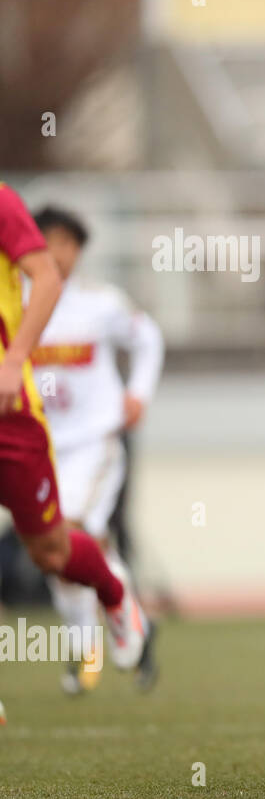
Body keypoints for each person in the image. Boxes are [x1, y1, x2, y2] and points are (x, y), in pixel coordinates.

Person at [0, 183, 150, 696]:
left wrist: (15, 359)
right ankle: (83, 656)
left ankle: (113, 591)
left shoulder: (3, 205)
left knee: (53, 550)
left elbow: (48, 281)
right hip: (56, 438)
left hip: (34, 425)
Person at [31, 206, 164, 694]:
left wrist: (138, 394)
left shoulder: (98, 302)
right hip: (39, 447)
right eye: (47, 241)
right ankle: (93, 643)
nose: (57, 252)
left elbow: (148, 337)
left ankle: (118, 617)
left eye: (67, 243)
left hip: (94, 443)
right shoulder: (16, 302)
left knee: (68, 531)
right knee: (51, 553)